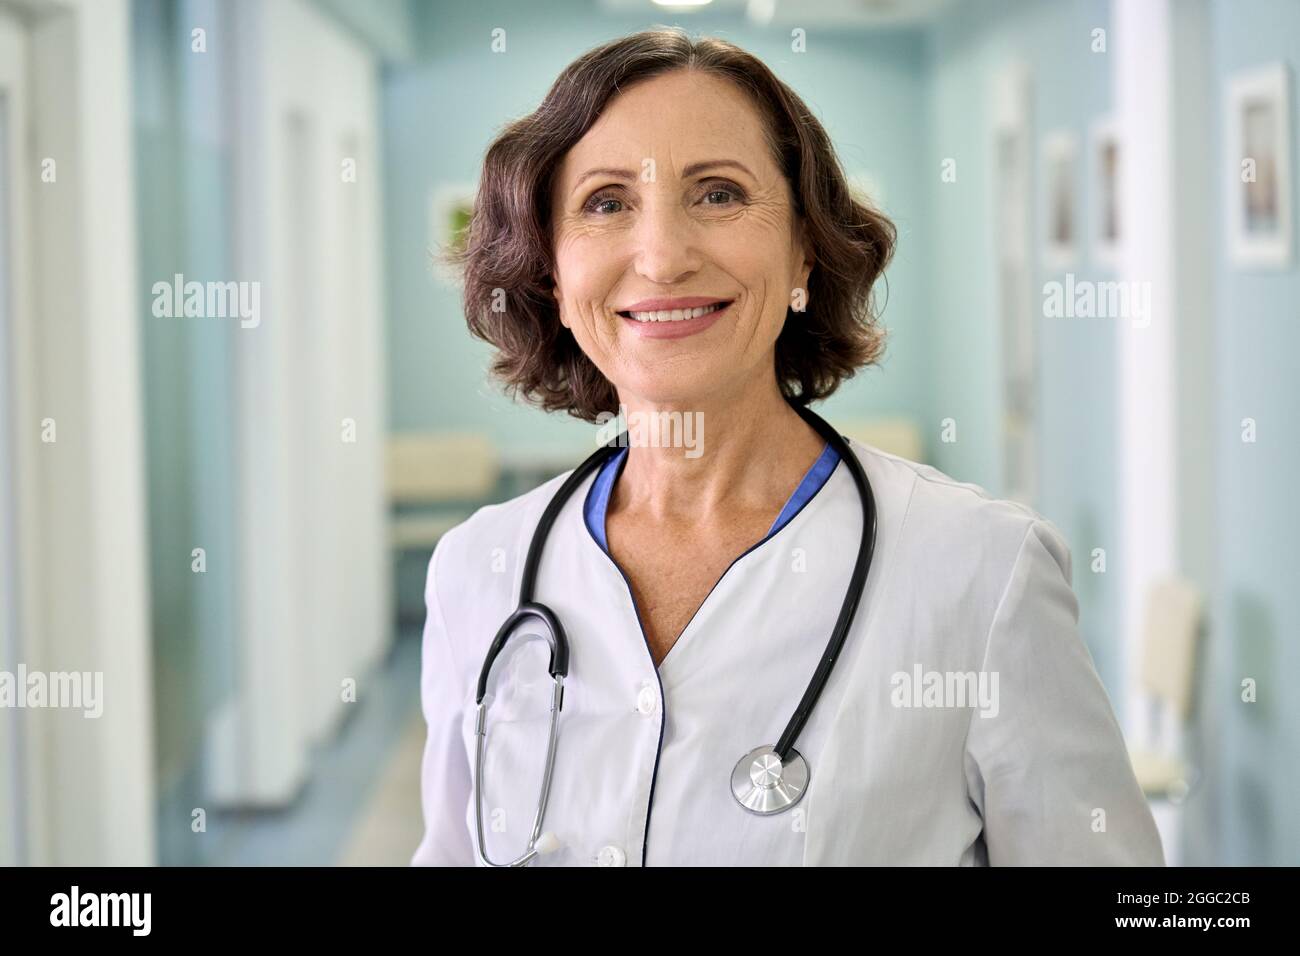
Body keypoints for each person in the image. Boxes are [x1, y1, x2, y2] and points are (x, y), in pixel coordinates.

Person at [411, 28, 1164, 867]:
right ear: (551, 271)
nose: (661, 257)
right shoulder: (478, 571)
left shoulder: (981, 574)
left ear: (805, 246)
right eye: (606, 202)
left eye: (720, 194)